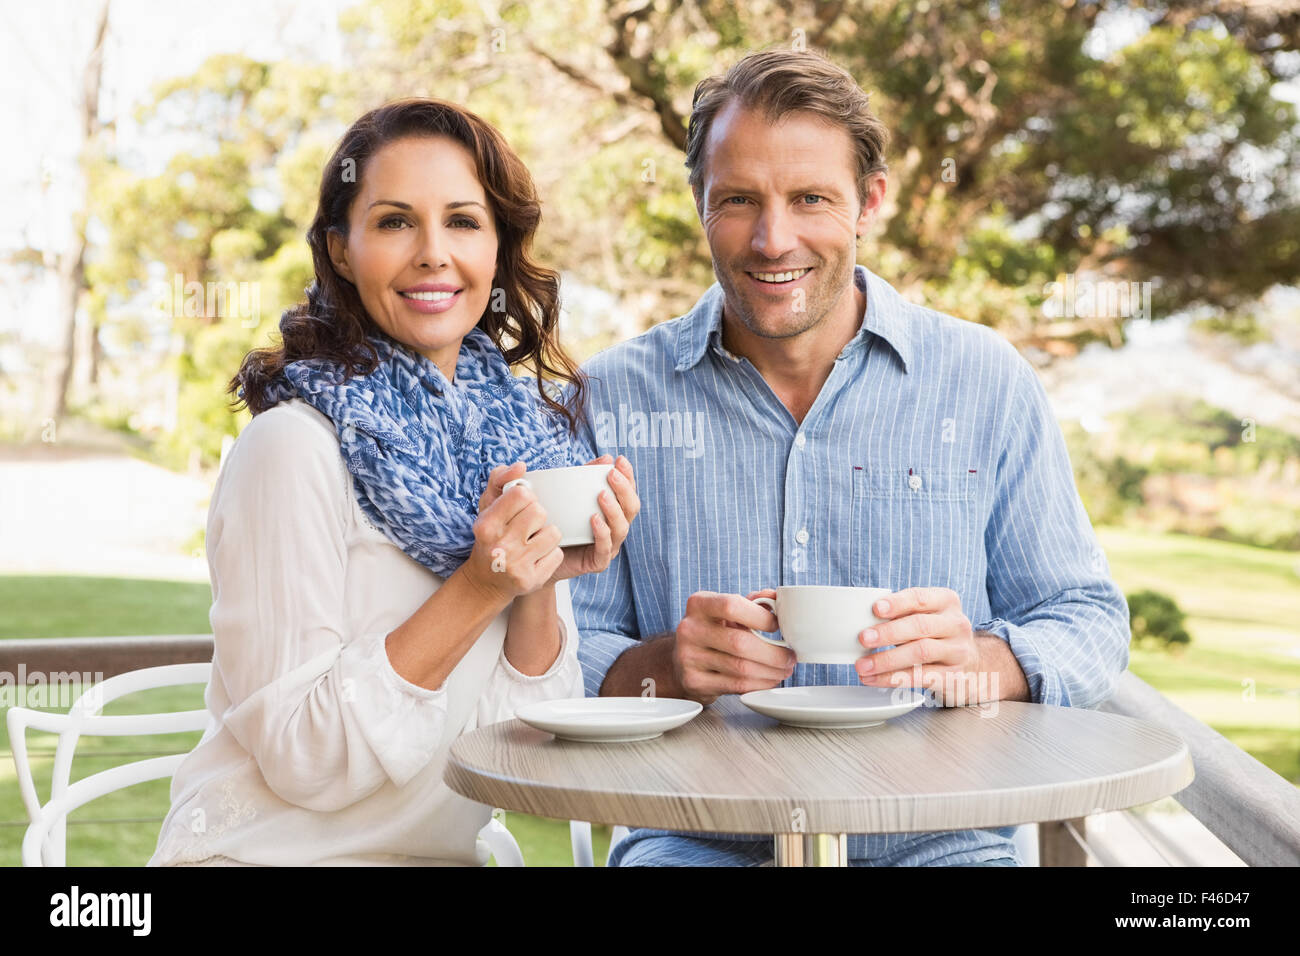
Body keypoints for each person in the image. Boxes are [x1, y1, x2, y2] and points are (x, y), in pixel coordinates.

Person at [569, 48, 1130, 866]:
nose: (773, 238)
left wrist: (984, 659)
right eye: (738, 200)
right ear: (698, 203)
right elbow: (553, 650)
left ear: (869, 202)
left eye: (810, 199)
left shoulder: (985, 383)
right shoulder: (611, 398)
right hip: (694, 841)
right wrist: (660, 666)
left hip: (943, 842)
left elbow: (1086, 617)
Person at [149, 98, 640, 866]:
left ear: (499, 246)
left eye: (464, 221)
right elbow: (304, 755)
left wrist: (536, 578)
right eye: (394, 222)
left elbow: (531, 740)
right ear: (341, 250)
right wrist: (480, 585)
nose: (433, 253)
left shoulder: (517, 446)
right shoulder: (293, 449)